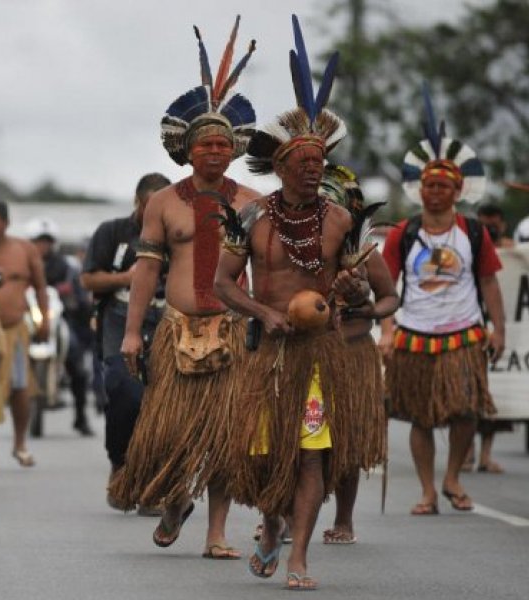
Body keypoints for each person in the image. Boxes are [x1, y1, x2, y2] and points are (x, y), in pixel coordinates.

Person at [213, 16, 369, 590]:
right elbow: (222, 285)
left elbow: (357, 284)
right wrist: (264, 312)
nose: (313, 169)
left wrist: (354, 292)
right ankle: (272, 524)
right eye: (303, 163)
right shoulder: (253, 217)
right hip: (266, 357)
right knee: (259, 458)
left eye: (319, 162)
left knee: (312, 458)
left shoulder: (340, 220)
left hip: (318, 360)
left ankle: (299, 556)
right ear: (280, 167)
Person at [109, 17, 258, 560]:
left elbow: (263, 269)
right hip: (175, 332)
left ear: (233, 150)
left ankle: (217, 533)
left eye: (223, 144)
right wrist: (131, 334)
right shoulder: (164, 202)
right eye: (205, 144)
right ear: (188, 150)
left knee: (223, 437)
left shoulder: (251, 203)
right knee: (171, 434)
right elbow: (145, 271)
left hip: (233, 330)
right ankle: (174, 501)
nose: (214, 152)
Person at [379, 86, 506, 515]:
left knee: (467, 409)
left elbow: (489, 283)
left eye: (443, 186)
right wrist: (389, 329)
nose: (435, 192)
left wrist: (499, 329)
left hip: (465, 331)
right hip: (415, 333)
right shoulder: (403, 232)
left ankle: (452, 476)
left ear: (457, 190)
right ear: (420, 189)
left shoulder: (474, 232)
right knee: (420, 416)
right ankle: (427, 490)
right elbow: (386, 284)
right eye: (429, 184)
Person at [80, 172, 170, 514]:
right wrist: (128, 278)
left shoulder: (175, 232)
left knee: (160, 400)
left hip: (165, 319)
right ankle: (120, 463)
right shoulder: (112, 232)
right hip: (119, 318)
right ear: (138, 202)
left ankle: (152, 485)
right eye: (150, 207)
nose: (155, 214)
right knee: (123, 390)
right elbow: (88, 278)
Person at [316, 166, 398, 544]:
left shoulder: (362, 250)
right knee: (297, 438)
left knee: (345, 441)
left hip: (352, 352)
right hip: (307, 351)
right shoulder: (294, 246)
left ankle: (344, 520)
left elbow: (389, 297)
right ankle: (282, 514)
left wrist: (369, 311)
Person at [0, 200, 50, 469]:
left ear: (5, 223)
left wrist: (44, 319)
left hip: (15, 329)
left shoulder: (24, 249)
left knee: (20, 388)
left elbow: (41, 287)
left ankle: (20, 444)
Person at [28, 218, 94, 436]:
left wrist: (76, 300)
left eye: (47, 241)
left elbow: (79, 295)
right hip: (27, 320)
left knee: (77, 361)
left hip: (59, 320)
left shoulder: (65, 268)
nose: (43, 245)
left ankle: (81, 417)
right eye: (39, 241)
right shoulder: (22, 263)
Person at [461, 203, 514, 473]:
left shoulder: (511, 249)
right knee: (468, 392)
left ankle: (485, 455)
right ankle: (467, 453)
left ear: (503, 224)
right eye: (485, 221)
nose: (490, 226)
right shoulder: (469, 245)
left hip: (501, 328)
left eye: (494, 221)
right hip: (471, 326)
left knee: (492, 395)